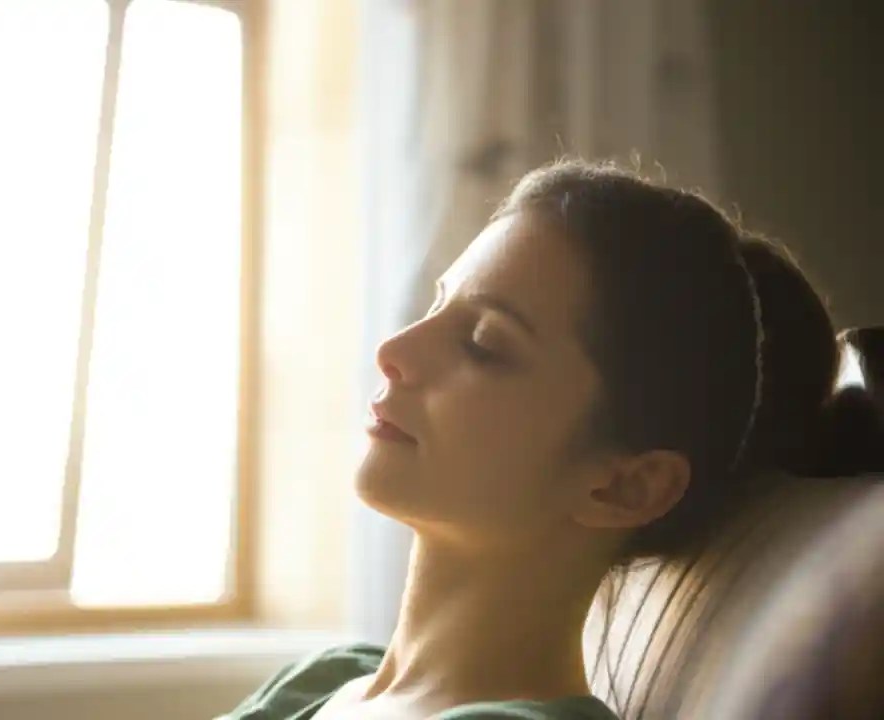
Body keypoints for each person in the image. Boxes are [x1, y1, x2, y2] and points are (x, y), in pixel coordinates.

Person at [219, 160, 882, 719]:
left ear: (624, 485)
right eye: (436, 305)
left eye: (483, 344)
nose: (394, 350)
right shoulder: (324, 682)